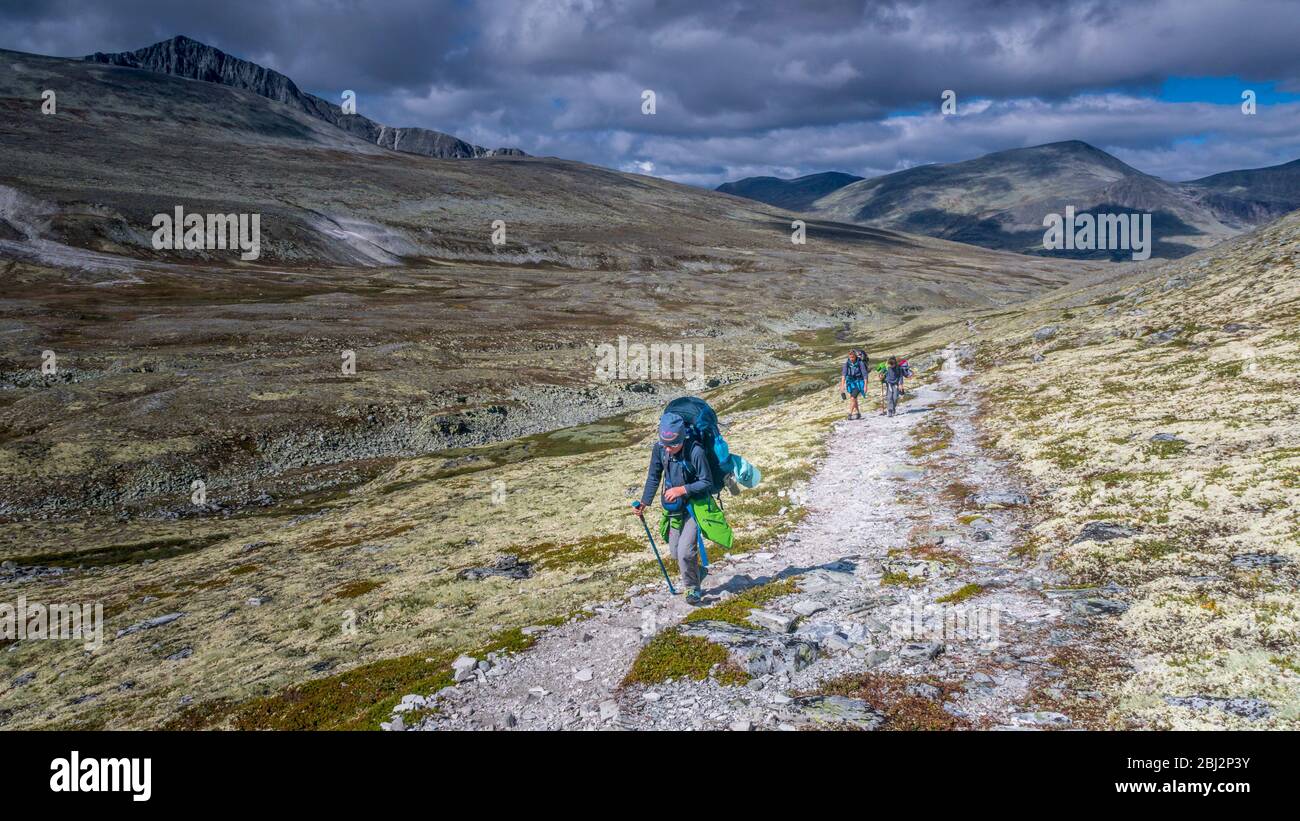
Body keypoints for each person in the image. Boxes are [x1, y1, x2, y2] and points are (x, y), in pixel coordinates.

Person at [634, 411, 715, 604]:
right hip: (674, 509)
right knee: (675, 552)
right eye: (665, 444)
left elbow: (707, 482)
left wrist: (682, 490)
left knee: (685, 552)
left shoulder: (695, 451)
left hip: (696, 507)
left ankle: (692, 589)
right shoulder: (660, 449)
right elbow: (654, 476)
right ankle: (696, 572)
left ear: (683, 438)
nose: (668, 449)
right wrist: (644, 502)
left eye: (673, 445)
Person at [840, 348, 869, 420]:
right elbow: (844, 375)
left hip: (859, 382)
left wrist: (865, 386)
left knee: (853, 398)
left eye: (852, 357)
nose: (851, 359)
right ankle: (858, 413)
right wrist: (842, 386)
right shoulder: (847, 363)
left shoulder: (860, 363)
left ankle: (850, 413)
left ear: (855, 356)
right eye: (850, 357)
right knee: (853, 399)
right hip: (850, 382)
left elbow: (865, 374)